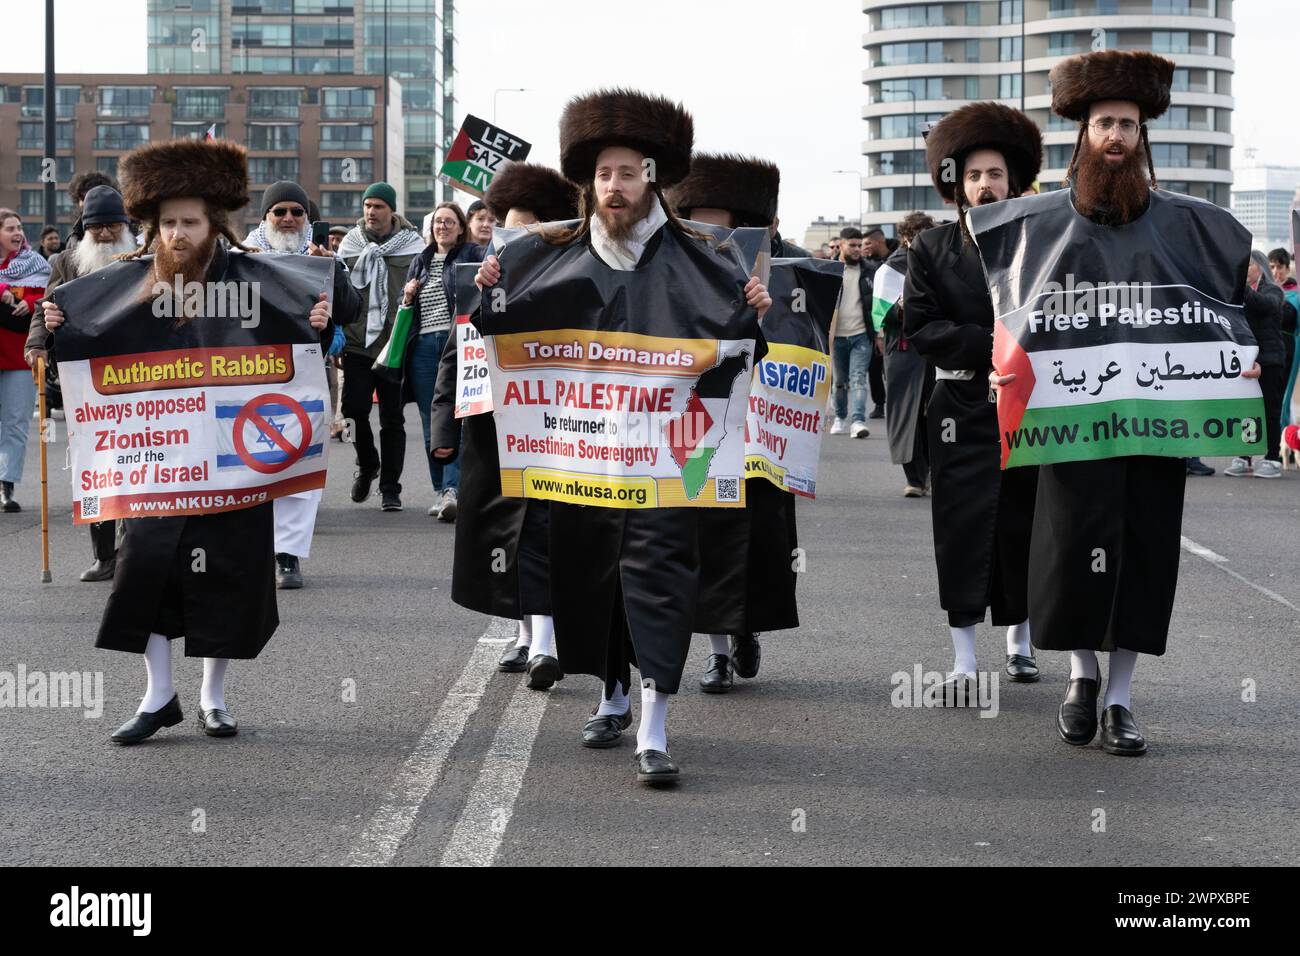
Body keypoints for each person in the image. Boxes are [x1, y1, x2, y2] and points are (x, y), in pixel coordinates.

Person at [475, 89, 771, 785]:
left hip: (670, 462)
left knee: (662, 579)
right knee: (593, 580)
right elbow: (497, 334)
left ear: (652, 180)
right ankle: (611, 694)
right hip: (581, 459)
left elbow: (739, 350)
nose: (616, 186)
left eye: (628, 173)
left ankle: (655, 727)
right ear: (589, 182)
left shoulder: (705, 255)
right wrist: (485, 288)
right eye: (604, 175)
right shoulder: (547, 255)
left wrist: (755, 315)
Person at [988, 50, 1262, 755]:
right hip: (1070, 430)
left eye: (1128, 126)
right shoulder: (1036, 227)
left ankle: (1121, 698)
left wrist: (1249, 357)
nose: (1116, 136)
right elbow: (1009, 316)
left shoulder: (1192, 229)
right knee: (1072, 555)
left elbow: (1252, 309)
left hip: (1154, 429)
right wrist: (1000, 366)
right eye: (1105, 123)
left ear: (1143, 139)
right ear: (1083, 134)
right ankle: (1081, 678)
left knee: (1140, 559)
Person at [41, 138, 332, 743]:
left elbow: (336, 304)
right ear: (151, 228)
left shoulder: (260, 276)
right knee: (143, 573)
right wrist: (50, 328)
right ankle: (159, 694)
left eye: (190, 222)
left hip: (234, 469)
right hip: (153, 468)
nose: (178, 234)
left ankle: (213, 697)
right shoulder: (120, 284)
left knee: (224, 578)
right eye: (167, 222)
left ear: (214, 227)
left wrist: (329, 313)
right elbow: (59, 341)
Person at [903, 102, 1044, 696]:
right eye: (975, 175)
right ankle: (963, 654)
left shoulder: (1041, 243)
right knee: (959, 527)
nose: (986, 185)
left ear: (1014, 181)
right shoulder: (931, 250)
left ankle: (1021, 640)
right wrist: (992, 347)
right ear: (957, 185)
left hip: (1030, 409)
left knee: (1026, 523)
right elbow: (921, 326)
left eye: (996, 174)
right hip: (959, 408)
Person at [432, 162, 577, 679]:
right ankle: (522, 633)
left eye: (525, 228)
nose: (511, 237)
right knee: (503, 533)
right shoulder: (474, 281)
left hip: (554, 432)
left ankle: (546, 642)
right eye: (505, 226)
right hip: (490, 433)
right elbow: (455, 356)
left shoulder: (570, 282)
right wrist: (443, 430)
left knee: (541, 529)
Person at [667, 152, 804, 692]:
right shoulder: (670, 268)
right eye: (694, 219)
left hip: (761, 424)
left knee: (757, 537)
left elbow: (805, 354)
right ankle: (718, 651)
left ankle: (745, 626)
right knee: (702, 537)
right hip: (694, 421)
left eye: (716, 222)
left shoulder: (789, 273)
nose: (704, 231)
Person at [242, 180, 363, 588]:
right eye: (280, 212)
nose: (289, 219)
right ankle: (251, 551)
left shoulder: (322, 258)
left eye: (297, 212)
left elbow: (350, 310)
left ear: (308, 219)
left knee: (298, 461)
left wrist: (332, 268)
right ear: (265, 218)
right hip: (246, 376)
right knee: (249, 464)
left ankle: (287, 556)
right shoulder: (240, 258)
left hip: (304, 373)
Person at [24, 186, 136, 576]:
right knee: (96, 468)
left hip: (143, 379)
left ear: (125, 225)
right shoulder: (65, 261)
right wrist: (38, 341)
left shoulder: (146, 256)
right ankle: (104, 555)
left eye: (112, 225)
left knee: (140, 465)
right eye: (97, 227)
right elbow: (46, 308)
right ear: (85, 228)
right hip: (87, 382)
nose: (105, 234)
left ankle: (132, 551)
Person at [337, 183, 425, 511]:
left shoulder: (414, 247)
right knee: (354, 411)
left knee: (392, 418)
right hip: (358, 342)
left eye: (378, 207)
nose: (371, 212)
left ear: (392, 211)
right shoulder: (349, 244)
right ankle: (368, 463)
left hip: (395, 343)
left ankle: (390, 487)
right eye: (367, 206)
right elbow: (336, 292)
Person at [402, 200, 485, 520]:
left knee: (455, 419)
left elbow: (494, 264)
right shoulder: (419, 261)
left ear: (462, 228)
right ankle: (440, 490)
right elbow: (405, 307)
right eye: (438, 222)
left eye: (450, 222)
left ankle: (453, 489)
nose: (443, 227)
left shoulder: (471, 255)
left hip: (457, 346)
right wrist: (407, 295)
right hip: (422, 346)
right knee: (428, 423)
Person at [876, 211, 936, 497]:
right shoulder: (889, 269)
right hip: (902, 348)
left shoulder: (938, 262)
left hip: (935, 346)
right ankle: (914, 477)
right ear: (906, 237)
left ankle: (934, 473)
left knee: (935, 410)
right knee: (906, 411)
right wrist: (901, 307)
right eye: (917, 237)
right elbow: (880, 315)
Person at [0, 209, 50, 514]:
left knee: (16, 423)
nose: (18, 233)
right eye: (9, 229)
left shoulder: (37, 263)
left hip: (20, 354)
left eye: (19, 228)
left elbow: (52, 294)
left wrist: (30, 303)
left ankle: (7, 485)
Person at [1222, 250, 1285, 479]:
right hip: (1247, 361)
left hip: (1271, 359)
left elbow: (1264, 305)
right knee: (1246, 410)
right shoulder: (1239, 295)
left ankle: (1272, 457)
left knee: (1270, 410)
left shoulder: (1273, 291)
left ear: (1260, 267)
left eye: (1248, 265)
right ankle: (1245, 455)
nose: (1245, 269)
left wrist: (1242, 289)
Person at [830, 226, 872, 438]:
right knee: (839, 382)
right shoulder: (828, 269)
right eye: (852, 245)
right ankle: (839, 417)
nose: (857, 249)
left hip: (861, 334)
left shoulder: (869, 270)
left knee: (858, 379)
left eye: (859, 245)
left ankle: (857, 421)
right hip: (835, 336)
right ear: (841, 244)